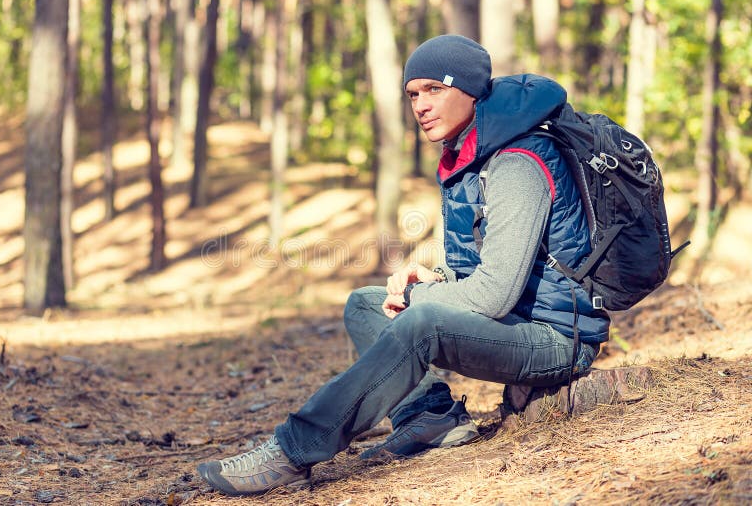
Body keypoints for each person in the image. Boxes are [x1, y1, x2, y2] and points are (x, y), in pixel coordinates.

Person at [196, 34, 610, 496]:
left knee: (421, 319)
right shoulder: (473, 156)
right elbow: (500, 269)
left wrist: (421, 297)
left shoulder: (517, 162)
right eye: (413, 93)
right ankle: (430, 416)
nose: (421, 105)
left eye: (435, 89)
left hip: (557, 338)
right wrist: (436, 278)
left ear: (471, 91)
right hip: (517, 323)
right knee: (365, 304)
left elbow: (495, 294)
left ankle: (294, 450)